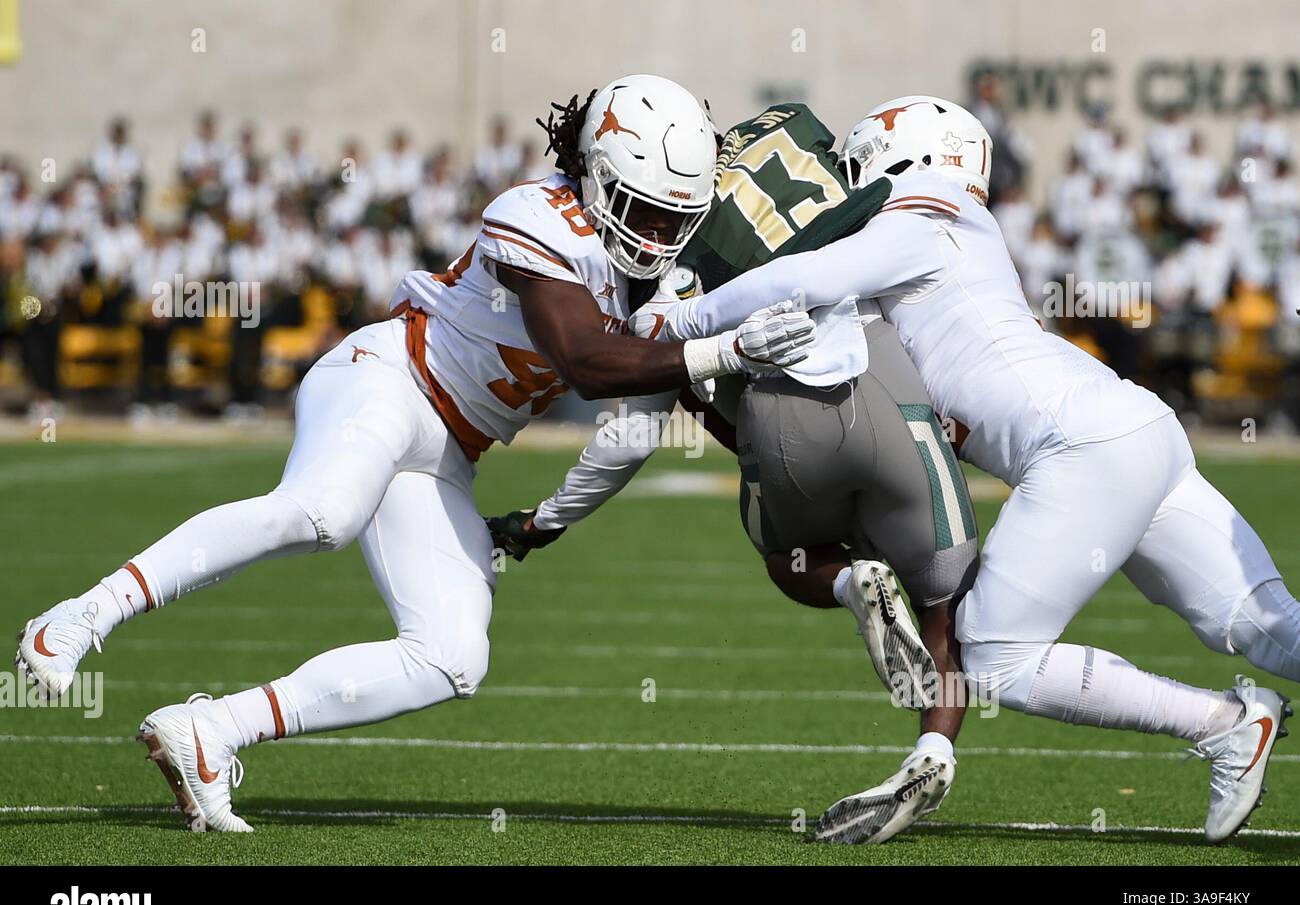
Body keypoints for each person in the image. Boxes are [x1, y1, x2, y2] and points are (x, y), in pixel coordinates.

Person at [14, 74, 816, 833]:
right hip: (390, 379)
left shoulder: (668, 286)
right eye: (641, 212)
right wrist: (723, 350)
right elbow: (585, 361)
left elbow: (635, 428)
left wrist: (545, 522)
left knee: (452, 657)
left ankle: (211, 731)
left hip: (448, 453)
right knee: (322, 511)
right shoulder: (538, 215)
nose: (658, 238)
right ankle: (82, 614)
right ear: (598, 179)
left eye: (675, 221)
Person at [650, 95, 1297, 844]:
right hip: (1132, 428)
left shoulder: (927, 207)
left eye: (860, 161)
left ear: (913, 154)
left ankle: (1222, 724)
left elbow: (807, 279)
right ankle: (1231, 722)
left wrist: (682, 326)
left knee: (994, 655)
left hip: (1083, 444)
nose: (849, 180)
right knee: (1261, 622)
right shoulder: (941, 238)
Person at [488, 103, 980, 845]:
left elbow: (627, 438)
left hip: (777, 420)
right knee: (945, 603)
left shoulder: (655, 276)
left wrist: (544, 520)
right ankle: (934, 746)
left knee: (794, 560)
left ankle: (849, 583)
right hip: (887, 375)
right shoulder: (792, 127)